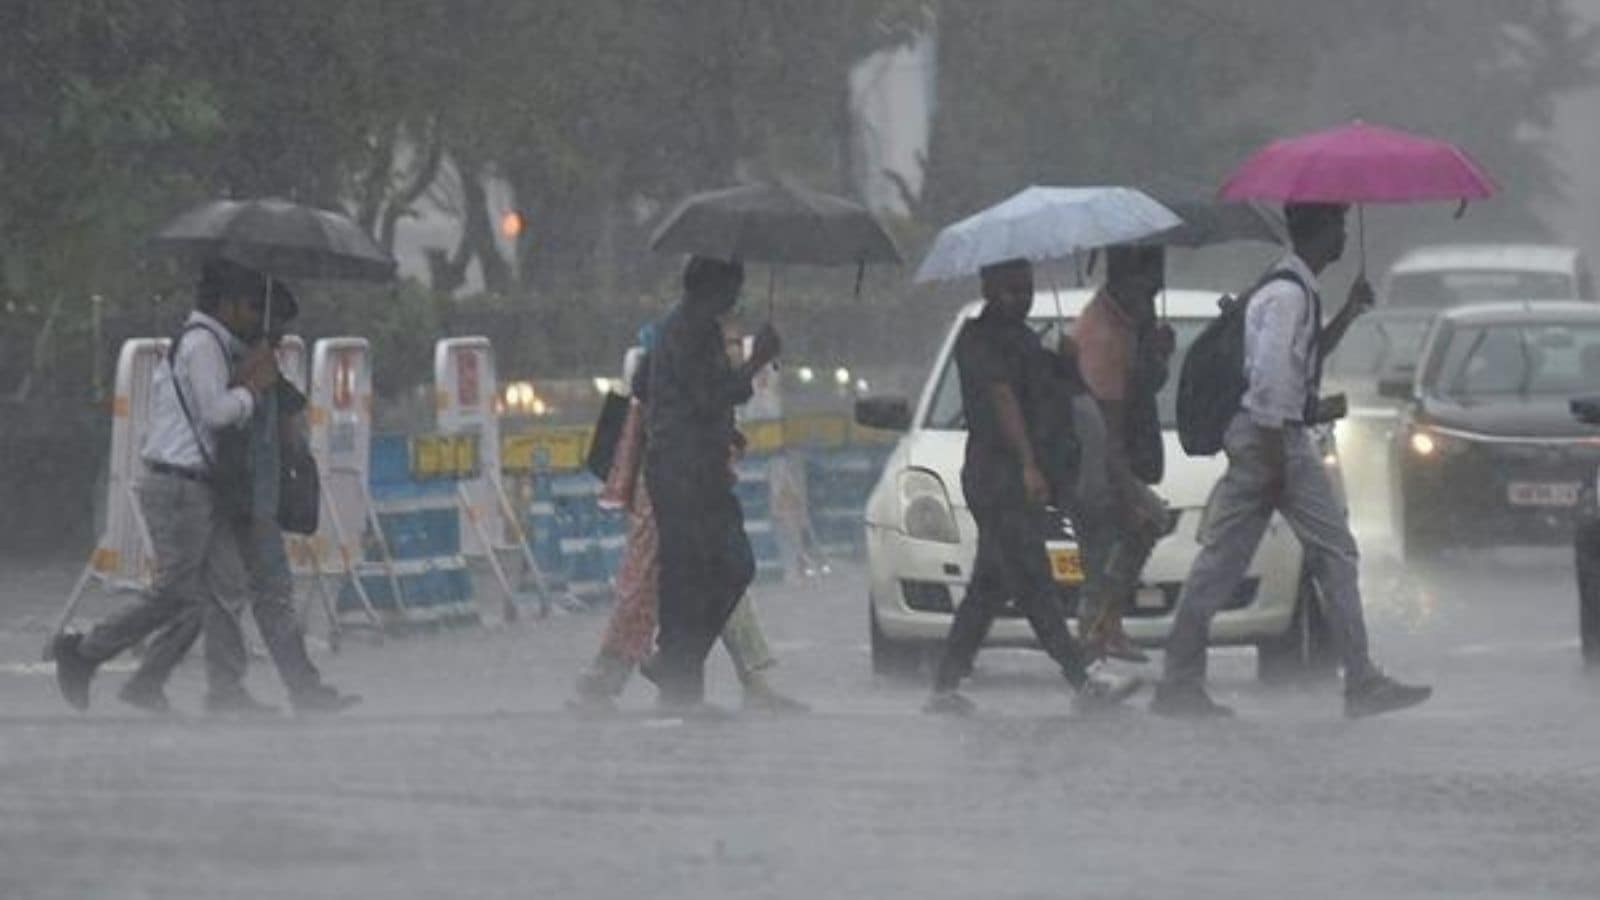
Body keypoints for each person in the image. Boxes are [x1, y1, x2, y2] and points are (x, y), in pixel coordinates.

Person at [1152, 203, 1432, 718]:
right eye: (1340, 227)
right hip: (1272, 440)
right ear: (1322, 232)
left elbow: (1302, 359)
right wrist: (1278, 459)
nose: (1346, 235)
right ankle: (1362, 680)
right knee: (1335, 552)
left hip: (1265, 438)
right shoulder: (1286, 294)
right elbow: (1271, 378)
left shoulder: (1294, 287)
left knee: (1221, 562)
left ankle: (1178, 680)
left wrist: (1348, 314)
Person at [52, 258, 280, 714]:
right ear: (226, 304)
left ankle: (218, 690)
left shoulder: (216, 344)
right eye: (251, 307)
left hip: (199, 485)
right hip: (179, 486)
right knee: (179, 594)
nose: (256, 316)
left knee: (223, 590)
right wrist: (252, 390)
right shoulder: (202, 346)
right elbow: (215, 412)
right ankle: (84, 651)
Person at [924, 257, 1142, 716]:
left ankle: (945, 684)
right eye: (1010, 290)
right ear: (987, 288)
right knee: (1034, 580)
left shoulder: (1025, 340)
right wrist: (1027, 465)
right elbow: (1004, 401)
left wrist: (1066, 362)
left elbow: (1061, 392)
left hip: (1018, 474)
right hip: (997, 474)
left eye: (1026, 289)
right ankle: (1082, 678)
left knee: (989, 584)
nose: (1020, 298)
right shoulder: (979, 341)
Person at [571, 332, 806, 713]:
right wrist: (753, 364)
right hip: (669, 496)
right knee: (647, 587)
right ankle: (606, 679)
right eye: (727, 339)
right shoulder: (682, 371)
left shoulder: (690, 368)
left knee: (721, 580)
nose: (732, 346)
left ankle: (745, 679)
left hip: (690, 495)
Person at [202, 283, 360, 715]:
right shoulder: (216, 359)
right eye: (273, 333)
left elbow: (292, 431)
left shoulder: (271, 379)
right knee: (226, 596)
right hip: (233, 499)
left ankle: (301, 687)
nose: (276, 342)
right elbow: (215, 414)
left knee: (272, 595)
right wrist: (250, 382)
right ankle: (225, 691)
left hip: (261, 503)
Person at [639, 256, 781, 711]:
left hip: (687, 466)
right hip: (687, 472)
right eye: (731, 289)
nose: (736, 299)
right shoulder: (692, 331)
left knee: (689, 579)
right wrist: (757, 362)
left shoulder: (679, 328)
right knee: (726, 567)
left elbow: (664, 387)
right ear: (710, 289)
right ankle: (679, 669)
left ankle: (680, 678)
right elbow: (710, 394)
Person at [1072, 244, 1177, 663]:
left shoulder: (1128, 322)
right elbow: (1107, 431)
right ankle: (1092, 641)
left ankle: (1104, 630)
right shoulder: (1103, 336)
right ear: (1124, 281)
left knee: (1132, 532)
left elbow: (1139, 390)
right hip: (1091, 464)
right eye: (1147, 287)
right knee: (1106, 545)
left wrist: (1157, 356)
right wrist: (1128, 494)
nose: (1152, 296)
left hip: (1110, 456)